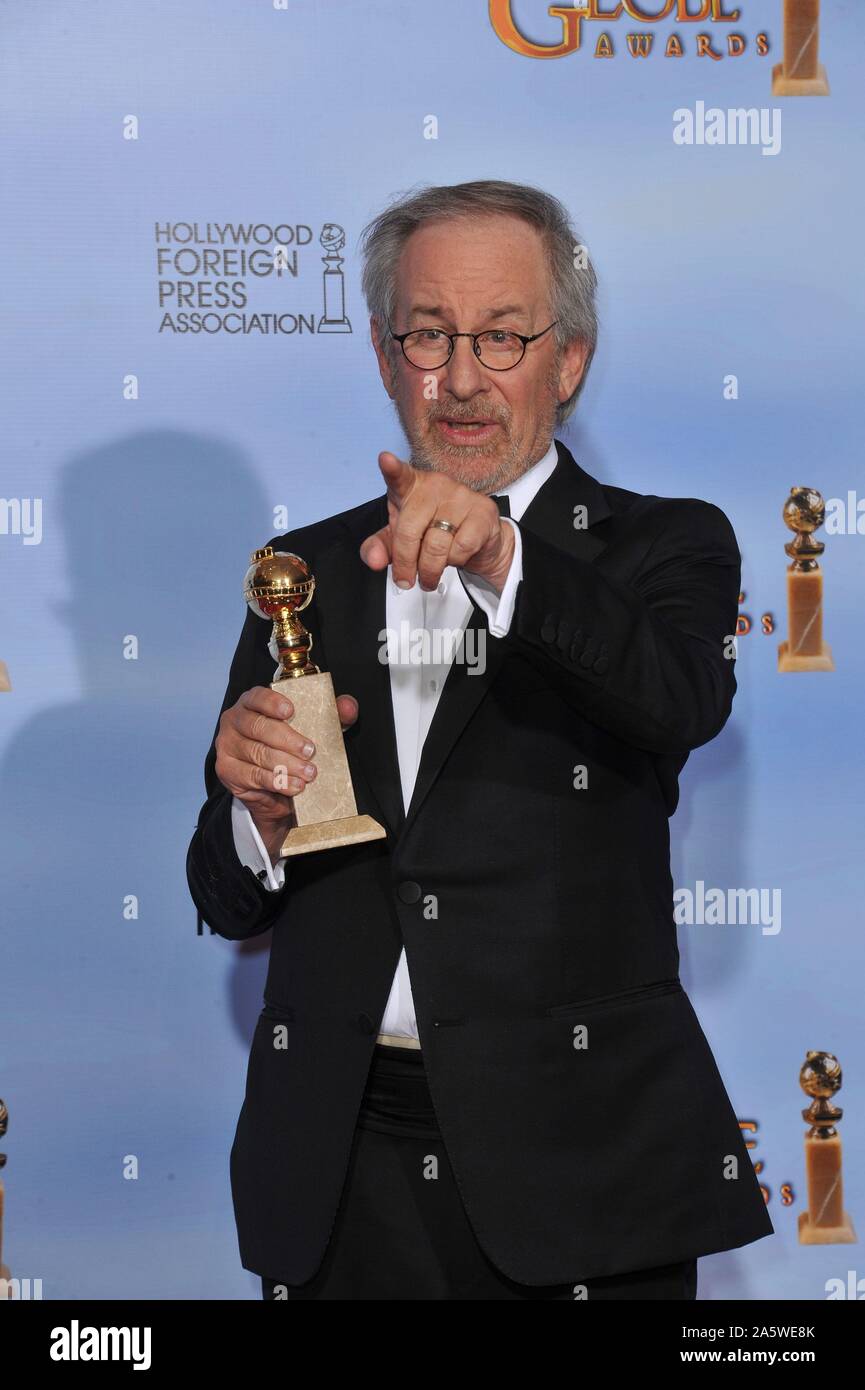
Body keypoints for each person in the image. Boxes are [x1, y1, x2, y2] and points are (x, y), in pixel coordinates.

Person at [186, 179, 773, 1300]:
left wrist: (503, 558)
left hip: (583, 1172)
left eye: (501, 336)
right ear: (378, 349)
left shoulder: (662, 547)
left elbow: (676, 700)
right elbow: (225, 897)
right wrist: (254, 822)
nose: (459, 376)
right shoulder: (299, 577)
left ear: (570, 360)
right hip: (337, 1171)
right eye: (426, 333)